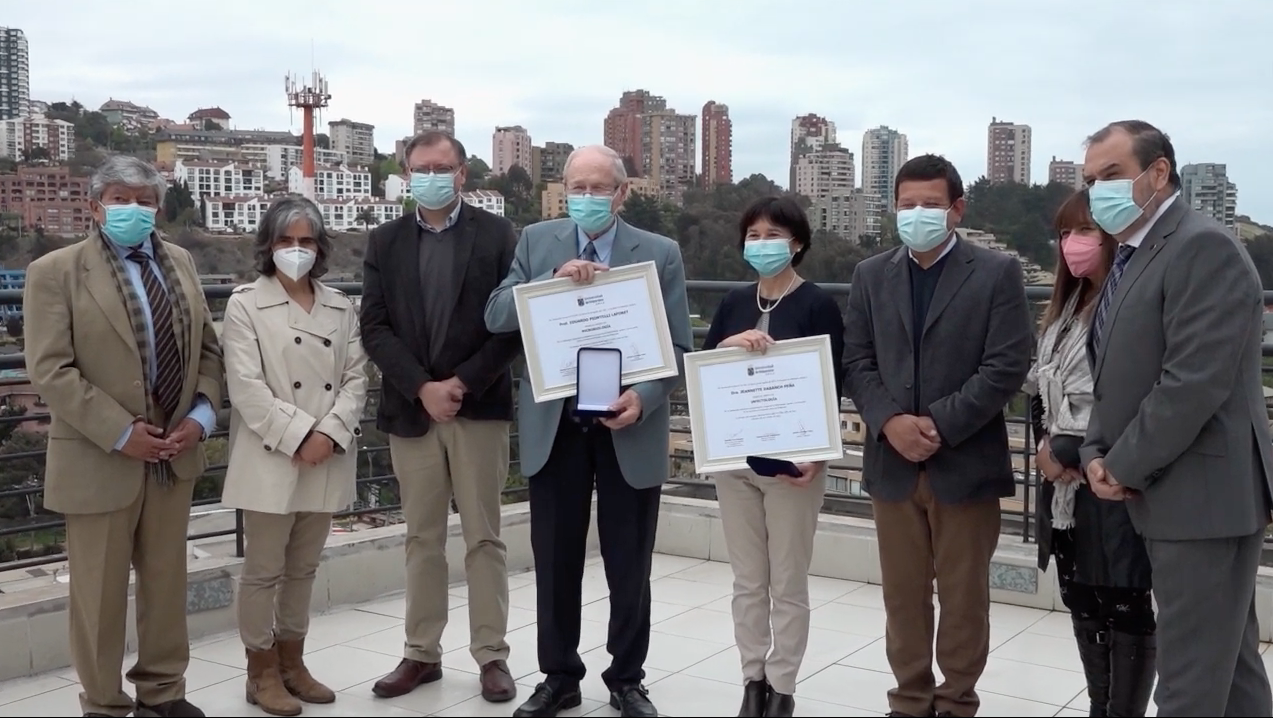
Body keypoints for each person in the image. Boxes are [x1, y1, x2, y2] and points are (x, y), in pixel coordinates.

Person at [485, 144, 693, 718]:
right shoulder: (536, 243)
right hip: (556, 424)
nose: (586, 198)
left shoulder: (660, 253)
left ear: (622, 194)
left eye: (598, 188)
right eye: (577, 186)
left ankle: (627, 678)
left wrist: (644, 399)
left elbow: (678, 345)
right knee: (555, 560)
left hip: (627, 424)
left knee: (630, 563)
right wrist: (548, 285)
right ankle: (559, 677)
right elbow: (496, 314)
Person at [1078, 120, 1273, 717]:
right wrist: (1093, 451)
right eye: (1090, 181)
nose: (1098, 192)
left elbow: (1192, 382)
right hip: (1173, 495)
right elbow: (1115, 376)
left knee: (1188, 683)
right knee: (1229, 669)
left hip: (1204, 499)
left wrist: (1123, 461)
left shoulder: (1202, 246)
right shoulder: (1135, 255)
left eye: (1112, 176)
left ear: (1158, 173)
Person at [22, 155, 224, 718]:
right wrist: (120, 432)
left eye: (144, 200)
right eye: (119, 197)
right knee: (99, 597)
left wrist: (200, 418)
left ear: (158, 207)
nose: (132, 209)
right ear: (94, 205)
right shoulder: (55, 272)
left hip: (173, 453)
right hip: (98, 458)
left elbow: (208, 348)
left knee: (165, 585)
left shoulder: (180, 261)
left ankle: (163, 693)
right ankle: (105, 705)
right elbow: (51, 370)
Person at [843, 154, 1033, 718]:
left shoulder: (996, 272)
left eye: (929, 204)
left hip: (965, 463)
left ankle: (955, 702)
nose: (917, 214)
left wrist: (941, 424)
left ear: (956, 209)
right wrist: (891, 422)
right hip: (892, 465)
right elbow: (856, 360)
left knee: (963, 599)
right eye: (906, 205)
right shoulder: (870, 274)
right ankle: (909, 700)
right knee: (902, 599)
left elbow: (1006, 365)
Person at [360, 131, 524, 704]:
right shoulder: (384, 241)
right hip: (412, 411)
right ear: (406, 174)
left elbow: (515, 323)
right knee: (421, 538)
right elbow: (374, 327)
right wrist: (422, 387)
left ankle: (492, 656)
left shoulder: (498, 235)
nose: (431, 176)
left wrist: (461, 382)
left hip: (477, 407)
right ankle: (420, 654)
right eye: (420, 168)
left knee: (485, 537)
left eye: (442, 167)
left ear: (462, 174)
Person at [220, 197, 369, 716]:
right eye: (286, 241)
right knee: (262, 569)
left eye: (306, 241)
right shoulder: (244, 304)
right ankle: (260, 671)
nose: (296, 251)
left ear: (321, 247)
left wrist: (329, 432)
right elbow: (245, 386)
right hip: (272, 452)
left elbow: (356, 378)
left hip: (326, 452)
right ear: (268, 246)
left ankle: (294, 662)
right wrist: (300, 435)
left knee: (304, 567)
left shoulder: (339, 304)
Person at [701, 196, 845, 718]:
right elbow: (707, 374)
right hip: (734, 463)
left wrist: (818, 456)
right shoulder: (734, 302)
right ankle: (751, 680)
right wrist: (725, 349)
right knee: (747, 581)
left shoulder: (818, 305)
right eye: (754, 235)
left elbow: (833, 385)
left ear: (798, 242)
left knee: (787, 580)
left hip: (793, 468)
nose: (762, 244)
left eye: (773, 234)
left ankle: (782, 686)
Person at [1026, 190, 1154, 717]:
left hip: (1110, 481)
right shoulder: (1063, 310)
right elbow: (1039, 391)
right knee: (1081, 599)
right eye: (1065, 233)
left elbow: (1129, 399)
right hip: (1063, 491)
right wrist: (1045, 446)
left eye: (1087, 232)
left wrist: (1064, 450)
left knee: (1123, 603)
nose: (1073, 245)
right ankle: (1098, 706)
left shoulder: (1129, 308)